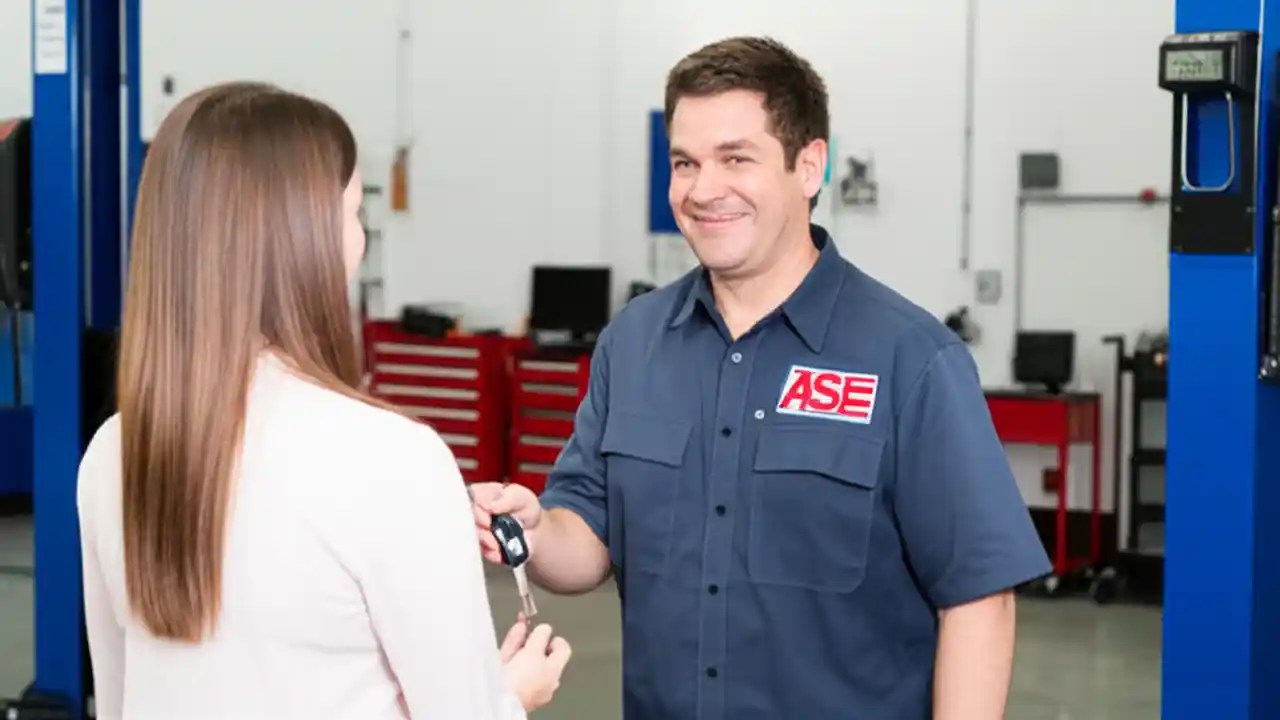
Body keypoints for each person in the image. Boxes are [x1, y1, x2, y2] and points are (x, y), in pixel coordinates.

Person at [471, 36, 1051, 718]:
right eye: (685, 162)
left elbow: (979, 596)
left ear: (809, 167)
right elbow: (588, 542)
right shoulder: (631, 344)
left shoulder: (911, 359)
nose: (703, 189)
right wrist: (535, 534)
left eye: (735, 158)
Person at [76, 82, 570, 720]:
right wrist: (515, 694)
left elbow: (120, 701)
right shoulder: (392, 459)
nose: (359, 240)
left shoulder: (114, 452)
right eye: (351, 212)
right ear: (303, 238)